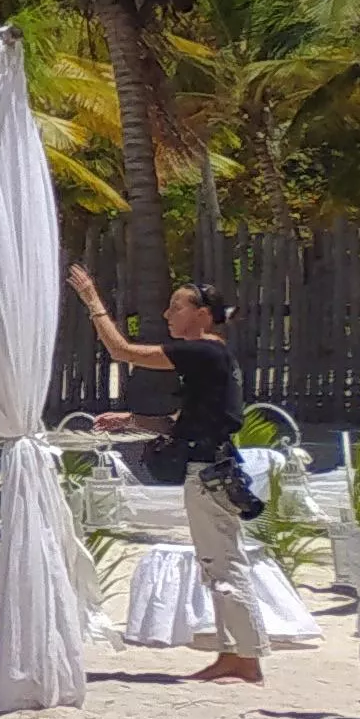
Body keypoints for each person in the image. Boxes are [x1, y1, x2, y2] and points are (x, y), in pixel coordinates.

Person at [66, 265, 262, 685]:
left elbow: (122, 351)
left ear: (203, 315)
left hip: (210, 471)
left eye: (178, 307)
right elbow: (185, 420)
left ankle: (246, 658)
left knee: (223, 564)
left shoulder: (204, 350)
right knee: (217, 563)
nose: (169, 314)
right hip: (212, 467)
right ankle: (236, 654)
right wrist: (132, 420)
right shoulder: (211, 359)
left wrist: (92, 300)